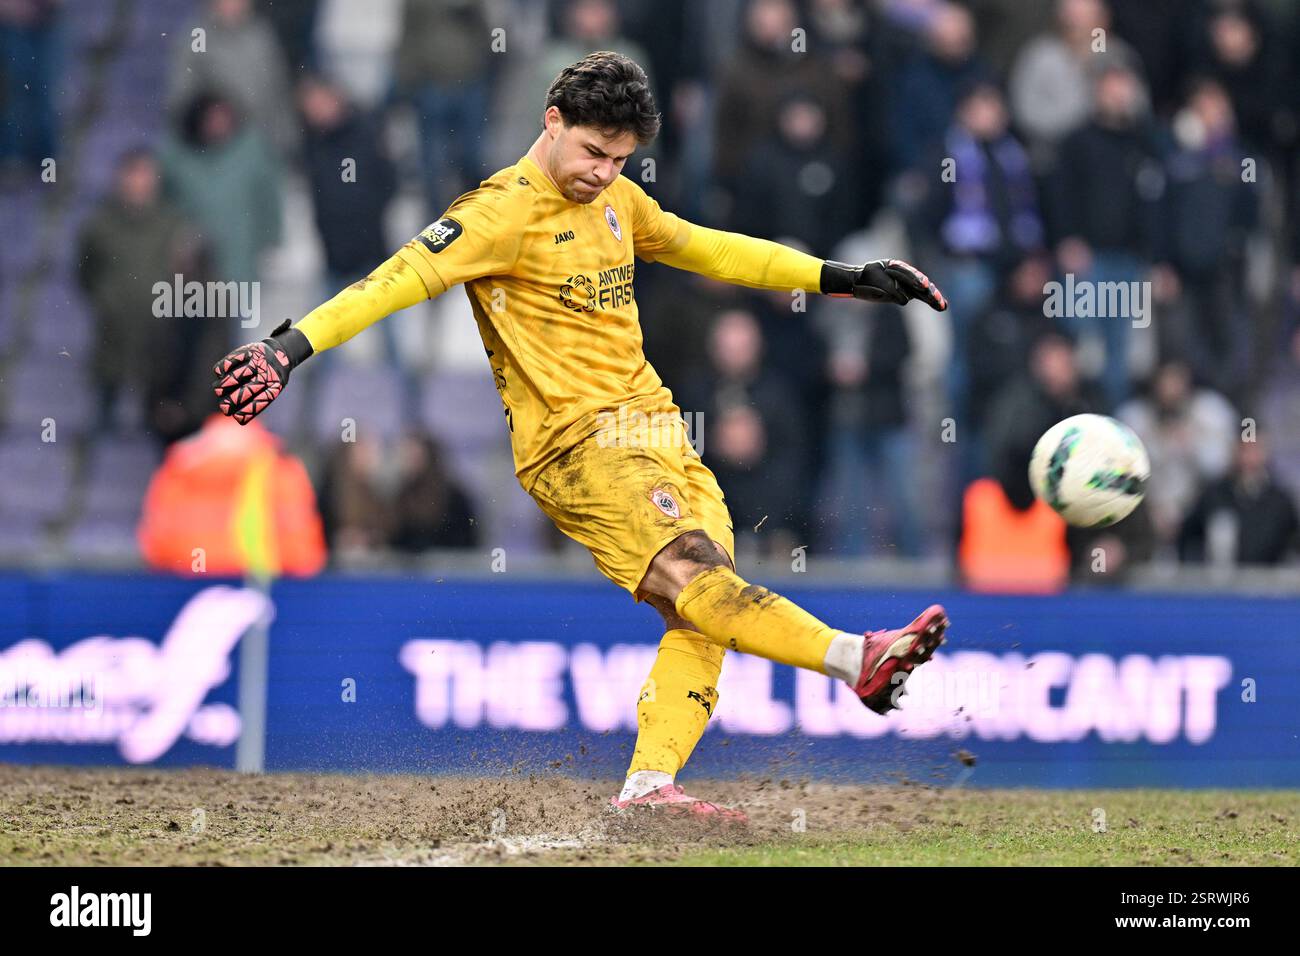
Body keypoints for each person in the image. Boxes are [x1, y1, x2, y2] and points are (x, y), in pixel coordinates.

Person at [210, 52, 951, 821]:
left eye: (621, 159)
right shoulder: (497, 214)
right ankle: (855, 658)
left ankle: (648, 786)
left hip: (657, 430)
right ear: (551, 121)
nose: (604, 173)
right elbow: (391, 281)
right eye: (594, 153)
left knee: (703, 605)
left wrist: (842, 276)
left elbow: (709, 246)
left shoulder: (620, 204)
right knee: (697, 576)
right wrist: (286, 349)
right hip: (576, 449)